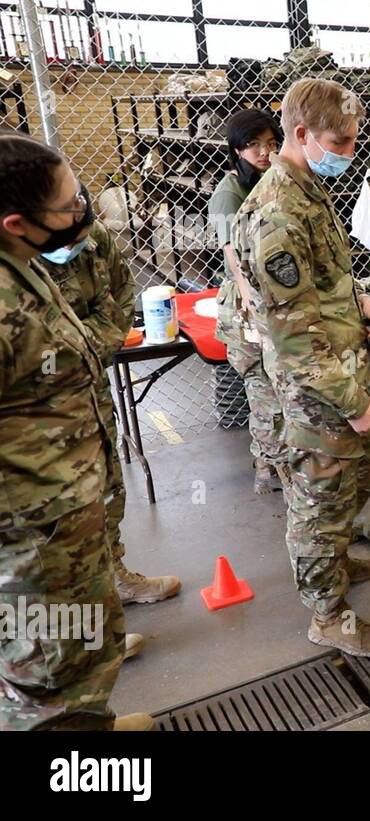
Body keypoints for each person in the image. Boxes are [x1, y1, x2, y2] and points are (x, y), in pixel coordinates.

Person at [233, 78, 370, 657]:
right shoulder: (276, 213)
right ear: (301, 135)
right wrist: (351, 403)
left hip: (344, 368)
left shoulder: (309, 191)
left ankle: (338, 561)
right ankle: (326, 614)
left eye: (354, 140)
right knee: (319, 505)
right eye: (340, 141)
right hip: (317, 389)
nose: (349, 152)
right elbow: (294, 340)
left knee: (361, 478)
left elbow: (327, 278)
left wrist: (361, 300)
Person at [0, 132, 151, 730]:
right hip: (29, 534)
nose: (81, 214)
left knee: (78, 654)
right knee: (46, 676)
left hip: (62, 516)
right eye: (68, 207)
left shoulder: (21, 265)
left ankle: (92, 724)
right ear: (17, 222)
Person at [36, 217, 182, 615]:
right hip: (30, 411)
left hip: (89, 390)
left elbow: (119, 295)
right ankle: (79, 623)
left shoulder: (89, 232)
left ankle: (112, 582)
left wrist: (87, 349)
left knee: (106, 488)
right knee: (53, 519)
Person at [210, 108, 287, 494]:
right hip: (246, 305)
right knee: (264, 389)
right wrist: (256, 310)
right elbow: (233, 258)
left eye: (271, 144)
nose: (264, 152)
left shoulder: (270, 182)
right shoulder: (229, 193)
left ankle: (279, 462)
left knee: (280, 385)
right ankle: (266, 467)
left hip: (273, 297)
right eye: (254, 144)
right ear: (237, 148)